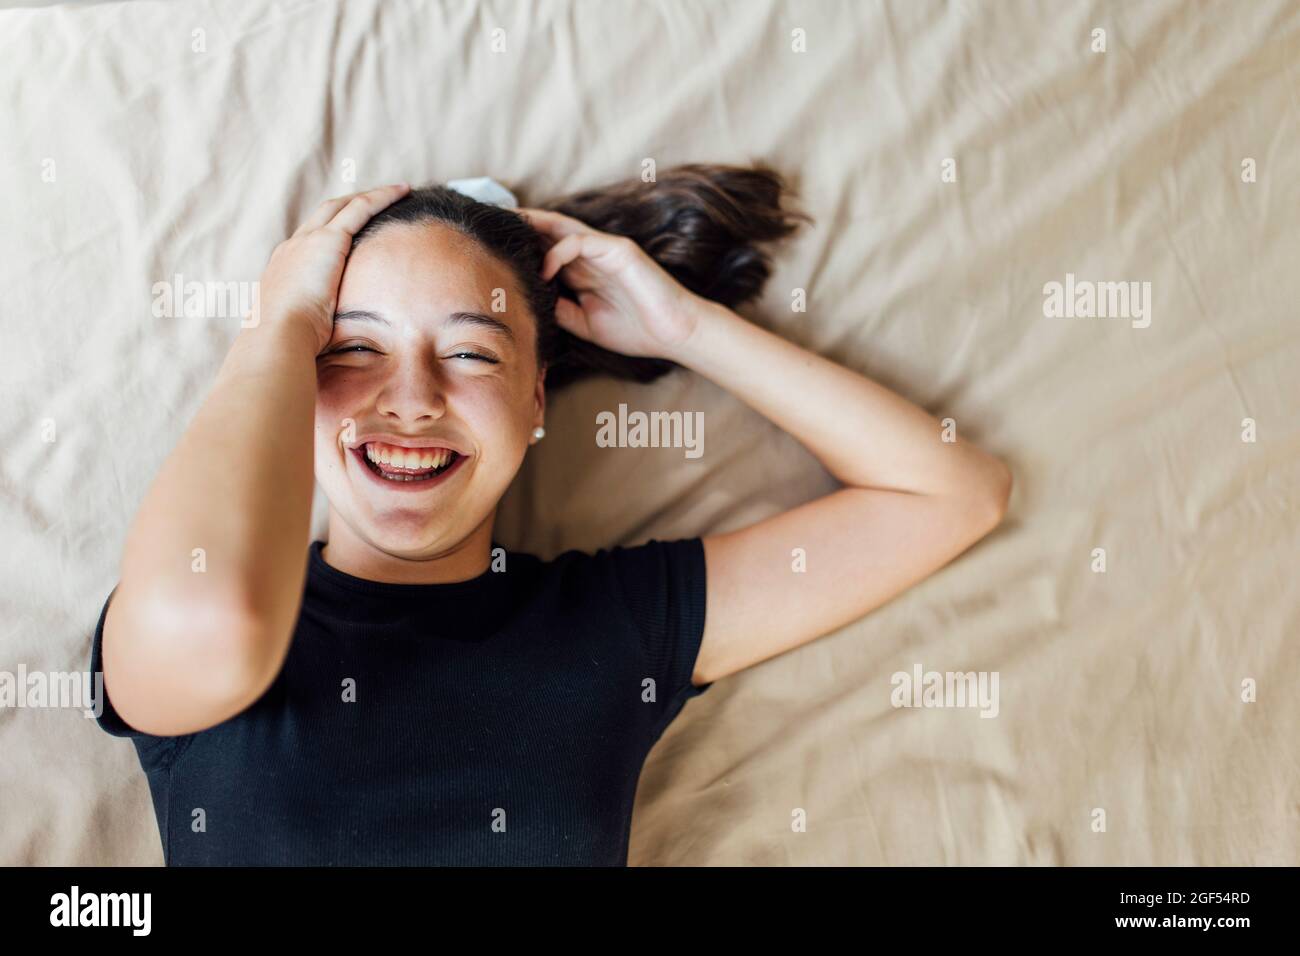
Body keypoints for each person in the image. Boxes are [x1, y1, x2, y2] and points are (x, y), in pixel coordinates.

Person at [87, 164, 1012, 865]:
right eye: (355, 347)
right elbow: (212, 619)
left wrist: (683, 329)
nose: (409, 399)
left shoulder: (612, 626)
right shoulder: (198, 606)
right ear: (297, 381)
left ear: (538, 400)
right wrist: (278, 324)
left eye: (474, 356)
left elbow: (953, 493)